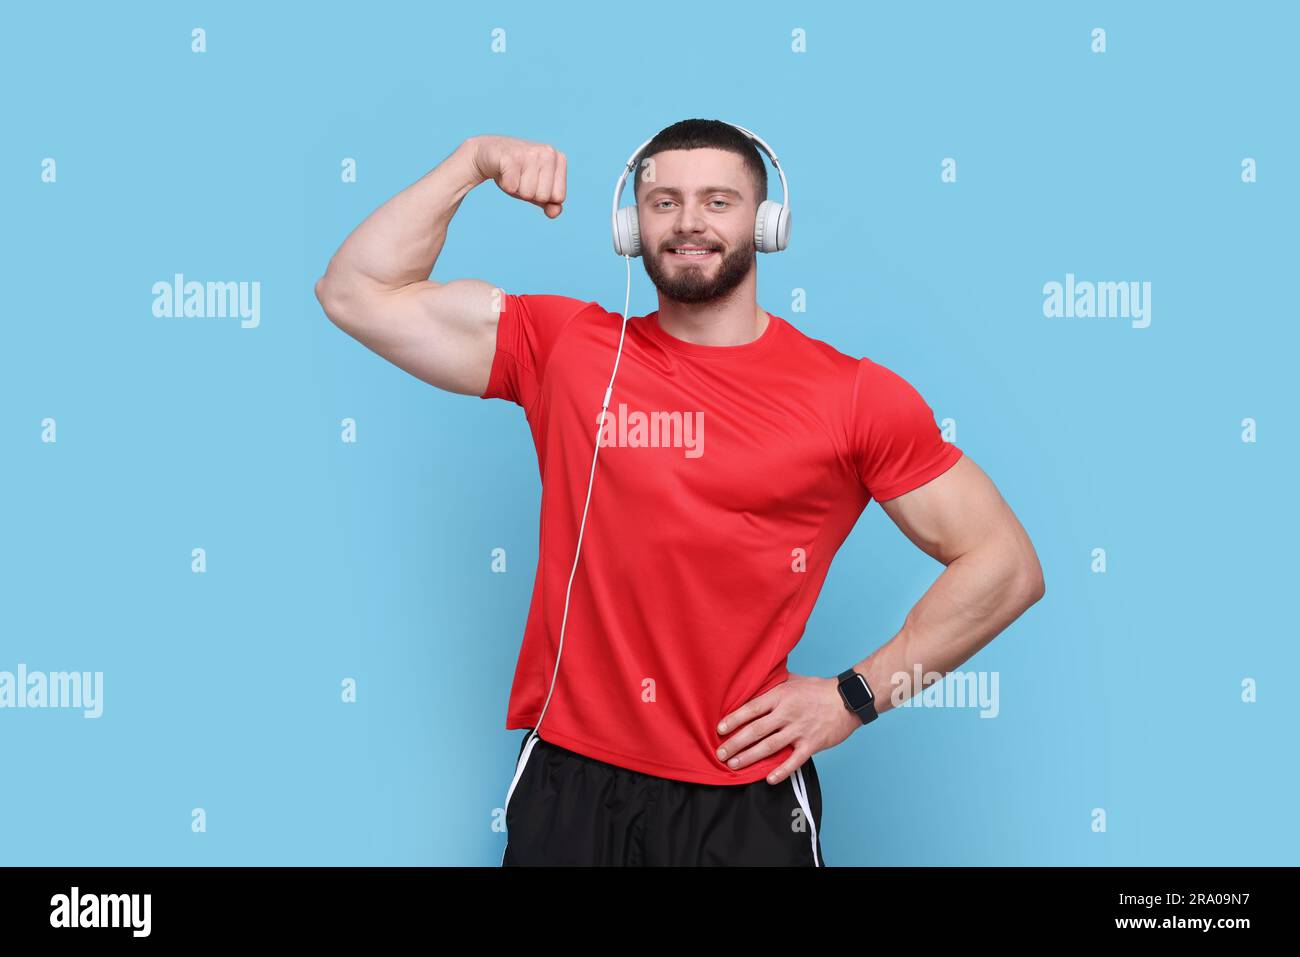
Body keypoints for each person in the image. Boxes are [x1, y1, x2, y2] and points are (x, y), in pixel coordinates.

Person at [314, 118, 1046, 866]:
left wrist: (853, 697)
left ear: (767, 223)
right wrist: (473, 161)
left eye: (718, 201)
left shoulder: (852, 396)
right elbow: (354, 290)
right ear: (632, 228)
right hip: (570, 782)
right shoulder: (566, 349)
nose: (689, 220)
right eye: (663, 202)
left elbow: (1005, 564)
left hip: (743, 798)